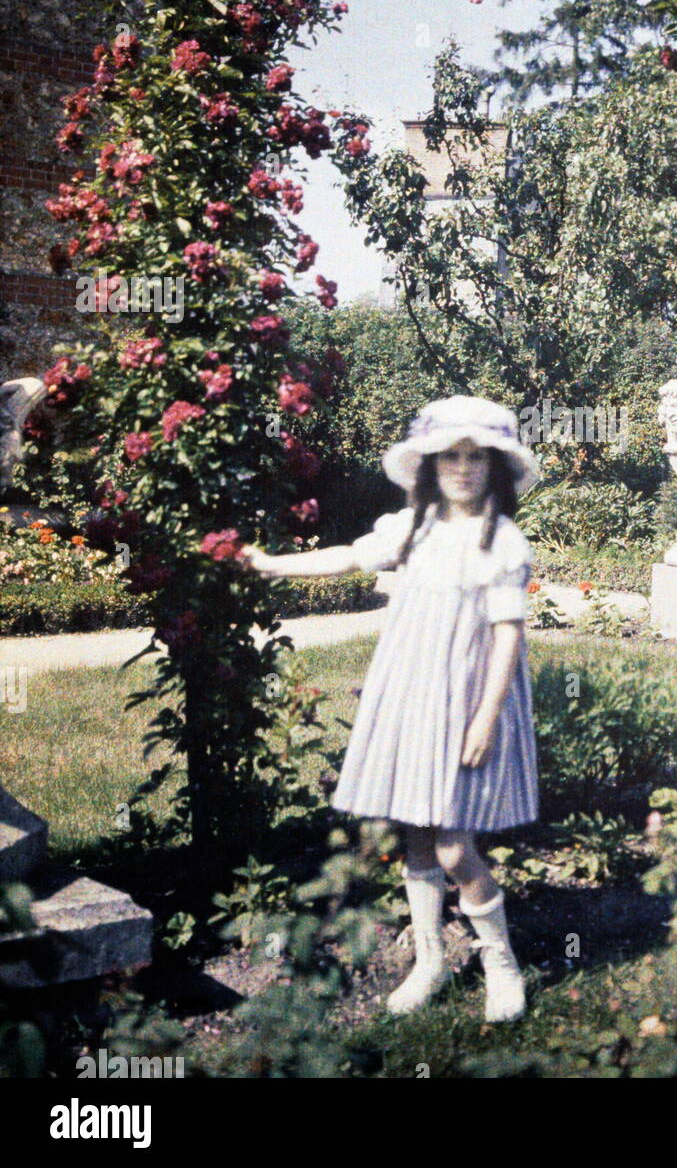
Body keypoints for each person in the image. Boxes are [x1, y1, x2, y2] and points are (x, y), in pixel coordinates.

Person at [241, 395, 540, 1021]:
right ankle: (429, 961)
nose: (462, 468)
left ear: (496, 467)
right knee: (418, 836)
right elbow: (347, 556)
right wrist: (270, 564)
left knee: (457, 846)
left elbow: (508, 635)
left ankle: (501, 965)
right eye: (449, 456)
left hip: (467, 701)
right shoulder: (414, 529)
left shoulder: (501, 540)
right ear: (429, 467)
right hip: (413, 695)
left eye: (476, 456)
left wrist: (486, 717)